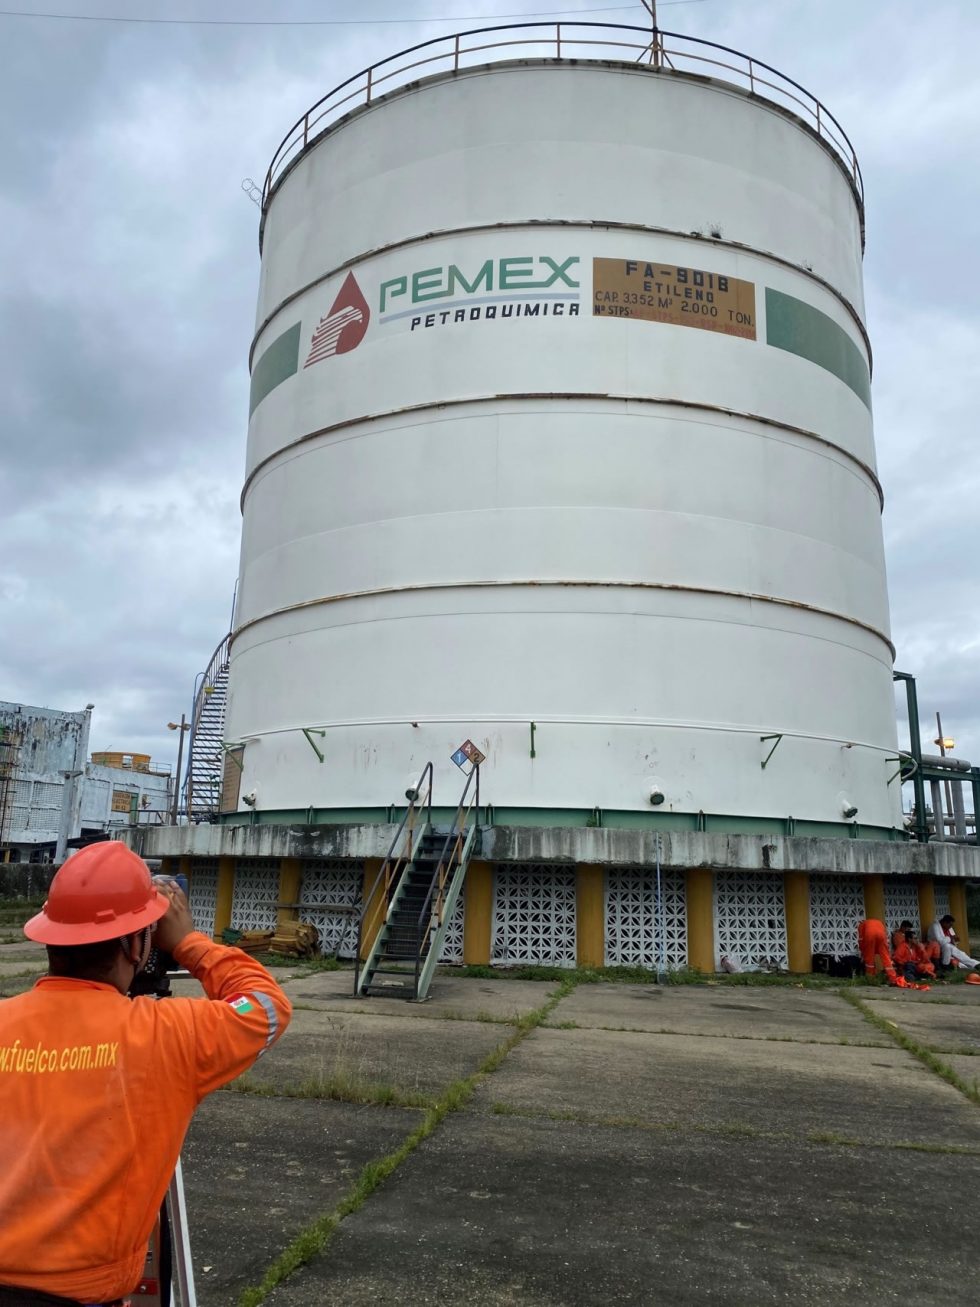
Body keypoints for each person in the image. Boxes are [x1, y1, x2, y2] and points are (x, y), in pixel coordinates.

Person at [0, 841, 292, 1306]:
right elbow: (264, 1006)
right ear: (136, 944)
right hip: (79, 1293)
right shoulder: (167, 1035)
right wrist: (190, 943)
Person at [857, 918, 909, 987]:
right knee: (886, 957)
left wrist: (863, 951)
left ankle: (870, 978)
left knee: (869, 959)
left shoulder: (861, 925)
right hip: (882, 936)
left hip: (869, 935)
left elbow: (861, 940)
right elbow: (884, 934)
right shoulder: (879, 922)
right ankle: (893, 978)